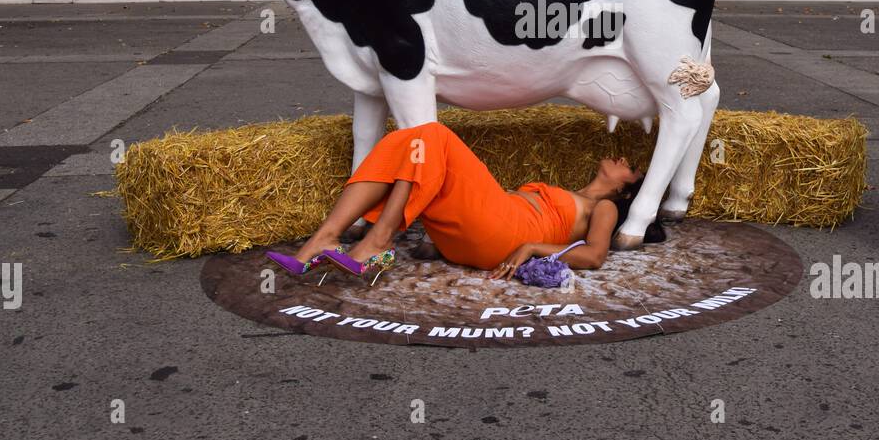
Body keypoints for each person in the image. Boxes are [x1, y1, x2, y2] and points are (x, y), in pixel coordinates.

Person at [266, 121, 644, 281]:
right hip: (476, 233)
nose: (624, 161)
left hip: (504, 233)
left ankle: (378, 241)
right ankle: (325, 239)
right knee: (405, 142)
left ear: (624, 191)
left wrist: (532, 247)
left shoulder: (604, 207)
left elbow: (594, 256)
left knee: (435, 135)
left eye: (632, 169)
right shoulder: (575, 195)